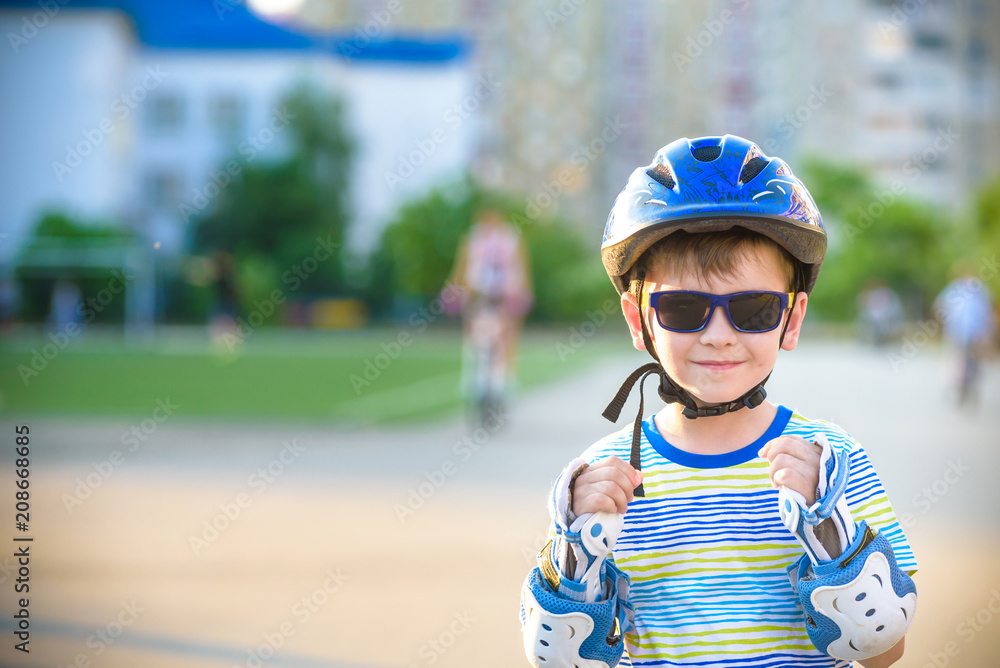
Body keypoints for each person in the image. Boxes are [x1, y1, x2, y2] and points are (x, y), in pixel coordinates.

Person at [519, 136, 917, 667]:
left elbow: (884, 651)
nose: (720, 335)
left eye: (753, 309)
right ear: (639, 321)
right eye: (684, 308)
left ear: (791, 320)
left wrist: (832, 536)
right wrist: (575, 556)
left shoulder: (831, 464)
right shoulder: (605, 480)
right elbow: (561, 661)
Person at [445, 207, 533, 421]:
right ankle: (478, 385)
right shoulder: (473, 237)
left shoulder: (511, 238)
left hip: (503, 299)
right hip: (479, 297)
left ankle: (500, 385)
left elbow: (521, 268)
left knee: (504, 344)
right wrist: (455, 291)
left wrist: (521, 295)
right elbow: (462, 268)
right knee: (476, 342)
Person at [934, 261, 996, 406]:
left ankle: (971, 383)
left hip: (976, 332)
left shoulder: (980, 291)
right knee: (956, 358)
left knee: (975, 360)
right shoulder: (954, 289)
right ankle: (957, 384)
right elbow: (940, 306)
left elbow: (988, 310)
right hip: (957, 331)